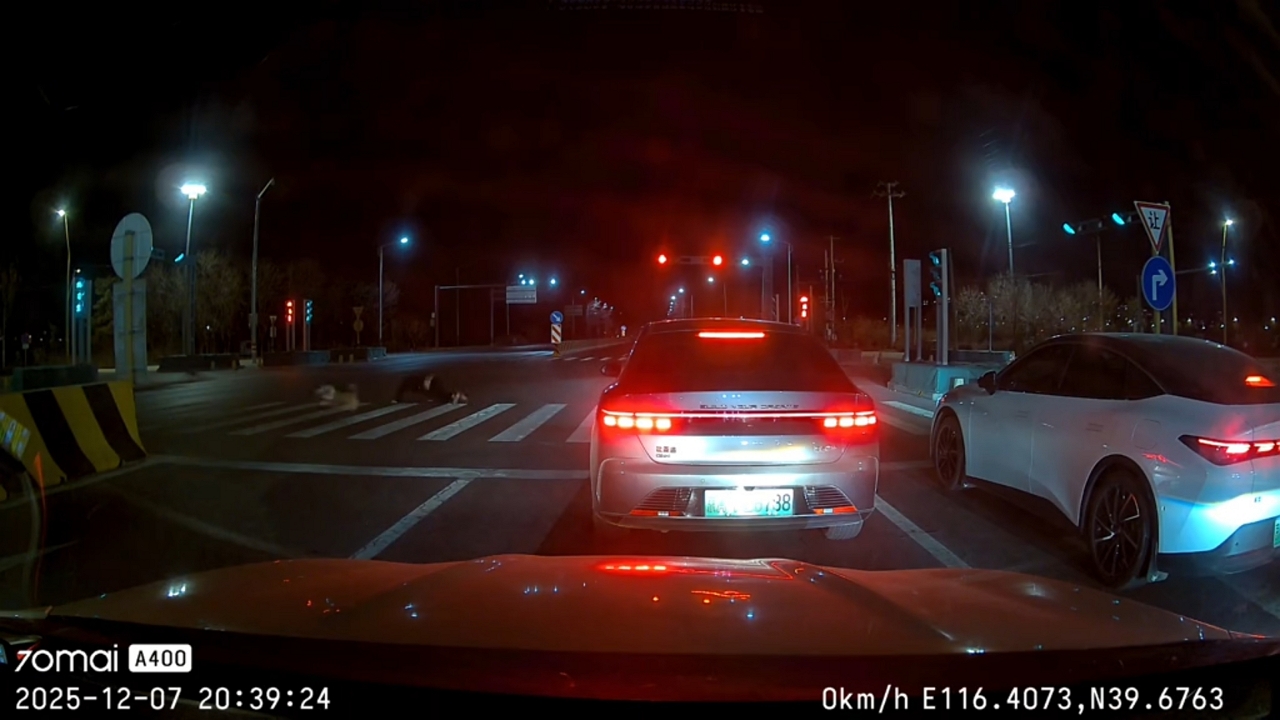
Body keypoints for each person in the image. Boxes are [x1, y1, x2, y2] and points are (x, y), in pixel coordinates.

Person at [394, 373, 467, 404]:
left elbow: (401, 389)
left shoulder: (410, 382)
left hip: (432, 382)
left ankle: (453, 396)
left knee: (440, 394)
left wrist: (397, 399)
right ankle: (453, 396)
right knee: (440, 395)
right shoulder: (414, 383)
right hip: (432, 381)